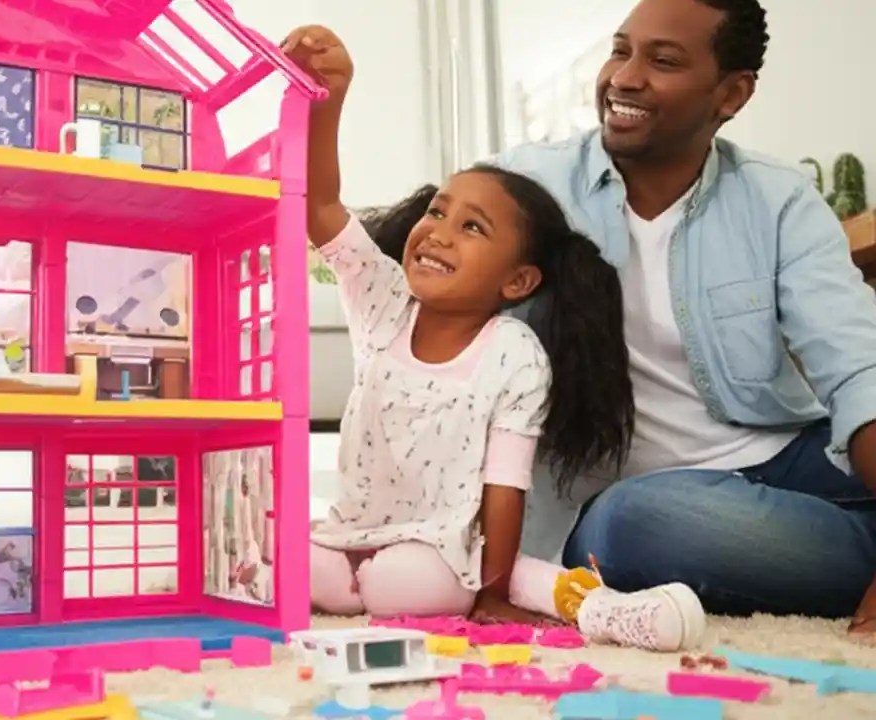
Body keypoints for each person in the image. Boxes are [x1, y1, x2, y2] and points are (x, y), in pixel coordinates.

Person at [299, 0, 876, 635]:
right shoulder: (527, 187)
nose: (625, 77)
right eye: (620, 49)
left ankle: (833, 548)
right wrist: (321, 108)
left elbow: (858, 370)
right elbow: (399, 256)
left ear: (731, 94)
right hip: (653, 504)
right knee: (625, 529)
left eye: (663, 60)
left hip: (796, 462)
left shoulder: (777, 200)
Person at [285, 28, 707, 652]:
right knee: (285, 559)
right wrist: (327, 98)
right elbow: (319, 206)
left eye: (471, 226)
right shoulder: (382, 301)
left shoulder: (513, 353)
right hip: (352, 534)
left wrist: (494, 592)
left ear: (518, 279)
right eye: (437, 212)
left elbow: (504, 488)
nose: (438, 232)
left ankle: (606, 611)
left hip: (440, 549)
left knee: (411, 583)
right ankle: (379, 584)